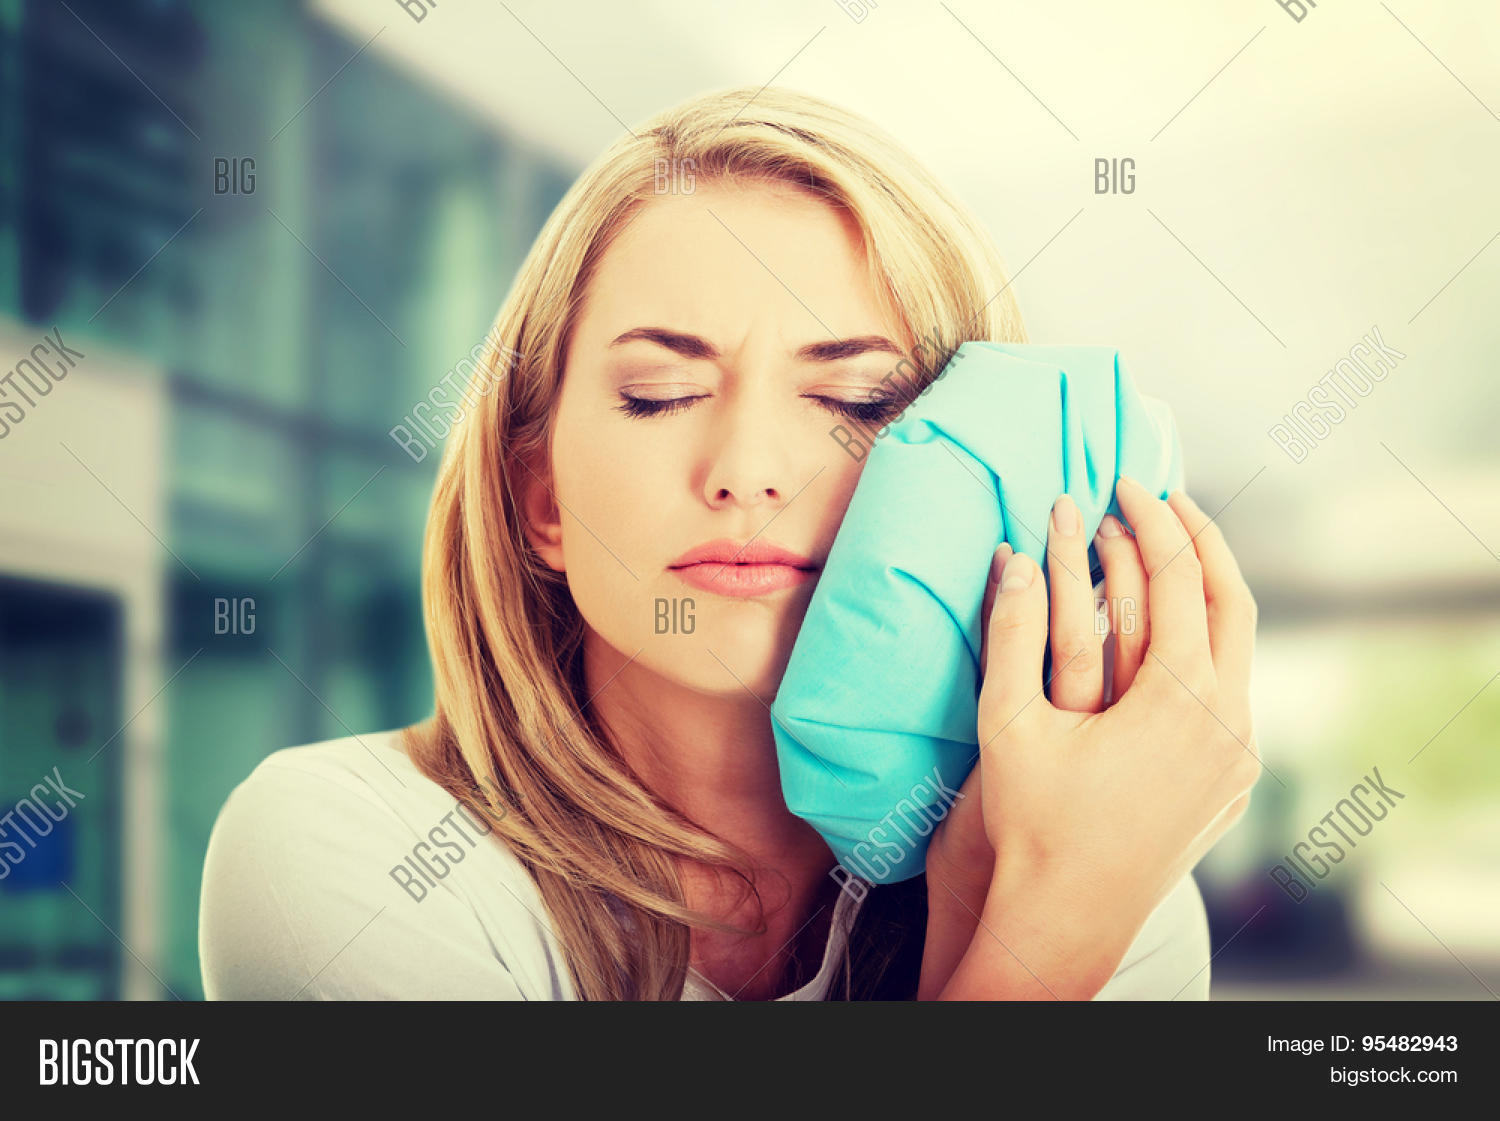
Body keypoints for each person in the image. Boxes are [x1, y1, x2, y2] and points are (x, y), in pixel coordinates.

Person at [199, 85, 1259, 1001]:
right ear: (542, 501)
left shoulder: (1124, 877)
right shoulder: (342, 852)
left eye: (856, 399)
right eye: (663, 394)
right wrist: (1050, 934)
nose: (747, 469)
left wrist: (1034, 882)